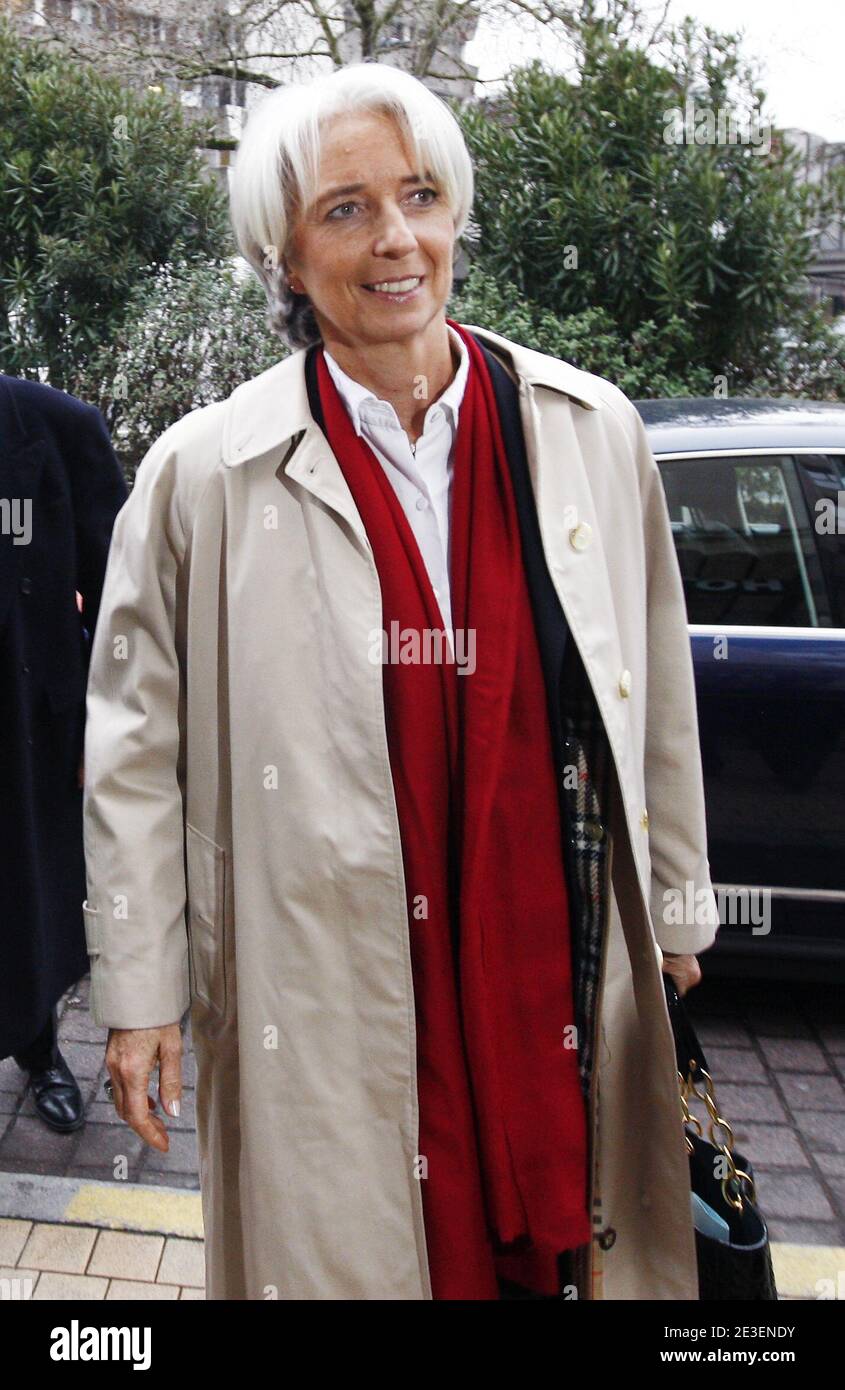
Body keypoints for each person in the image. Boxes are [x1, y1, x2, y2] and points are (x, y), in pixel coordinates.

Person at [82, 61, 720, 1301]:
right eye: (344, 209)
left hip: (550, 941)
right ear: (282, 251)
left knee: (570, 1239)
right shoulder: (202, 476)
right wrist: (142, 991)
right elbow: (133, 749)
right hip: (316, 966)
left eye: (420, 196)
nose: (395, 241)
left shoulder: (588, 428)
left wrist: (680, 906)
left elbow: (652, 677)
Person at [0, 374, 127, 1128]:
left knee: (26, 890)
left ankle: (40, 1050)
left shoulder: (54, 425)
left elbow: (119, 596)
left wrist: (101, 728)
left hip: (28, 718)